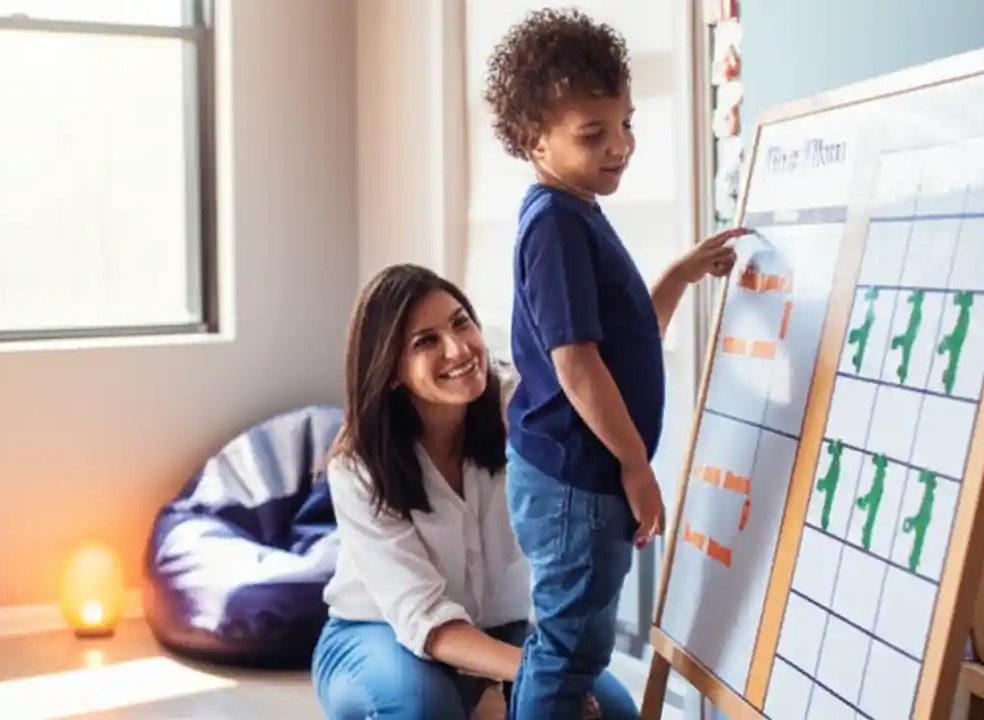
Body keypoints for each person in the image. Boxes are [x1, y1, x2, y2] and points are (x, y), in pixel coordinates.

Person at [484, 9, 747, 719]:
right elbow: (576, 365)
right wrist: (636, 465)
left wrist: (678, 276)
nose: (620, 145)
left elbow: (631, 340)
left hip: (575, 476)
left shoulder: (578, 213)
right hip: (578, 480)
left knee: (571, 645)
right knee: (569, 650)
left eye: (625, 123)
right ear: (534, 139)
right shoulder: (555, 225)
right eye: (592, 133)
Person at [311, 264, 639, 720]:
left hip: (504, 628)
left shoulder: (520, 405)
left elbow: (604, 375)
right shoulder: (358, 467)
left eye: (460, 322)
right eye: (426, 341)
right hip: (379, 630)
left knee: (615, 712)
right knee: (424, 707)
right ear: (390, 370)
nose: (458, 349)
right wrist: (542, 676)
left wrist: (676, 282)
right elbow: (424, 619)